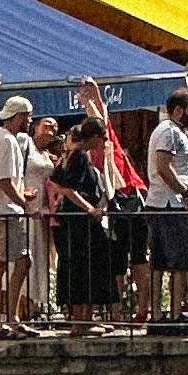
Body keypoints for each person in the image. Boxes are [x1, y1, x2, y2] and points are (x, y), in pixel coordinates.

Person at [0, 96, 42, 326]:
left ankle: (10, 319)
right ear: (19, 117)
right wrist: (26, 205)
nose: (30, 120)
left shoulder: (0, 137)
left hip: (4, 209)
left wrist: (21, 196)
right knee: (2, 263)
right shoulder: (7, 141)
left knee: (15, 262)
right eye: (28, 116)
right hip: (4, 211)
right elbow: (4, 181)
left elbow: (5, 180)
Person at [141, 89, 188, 327]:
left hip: (163, 202)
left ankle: (159, 313)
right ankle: (172, 315)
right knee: (177, 260)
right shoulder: (168, 132)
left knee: (162, 261)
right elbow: (163, 166)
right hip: (169, 203)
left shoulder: (171, 131)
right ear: (179, 110)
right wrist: (185, 192)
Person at [51, 116, 112, 319]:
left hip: (76, 222)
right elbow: (68, 188)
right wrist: (90, 209)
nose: (103, 142)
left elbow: (56, 181)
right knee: (80, 268)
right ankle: (80, 321)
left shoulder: (72, 155)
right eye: (102, 137)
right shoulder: (80, 156)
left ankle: (86, 319)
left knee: (87, 267)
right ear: (94, 136)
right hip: (78, 223)